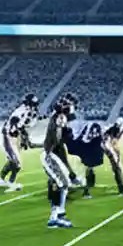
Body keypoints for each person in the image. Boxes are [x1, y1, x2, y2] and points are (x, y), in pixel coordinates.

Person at [41, 95, 81, 228]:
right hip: (50, 157)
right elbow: (55, 148)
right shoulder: (57, 125)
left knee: (60, 185)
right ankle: (54, 218)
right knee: (62, 185)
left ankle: (59, 213)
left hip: (51, 156)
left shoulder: (56, 125)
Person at [0, 93, 41, 191]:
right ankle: (11, 183)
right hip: (7, 135)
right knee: (17, 163)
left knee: (13, 161)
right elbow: (14, 122)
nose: (34, 108)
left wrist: (24, 138)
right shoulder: (22, 111)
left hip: (13, 136)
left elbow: (22, 127)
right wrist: (20, 133)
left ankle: (1, 180)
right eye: (33, 105)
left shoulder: (26, 112)